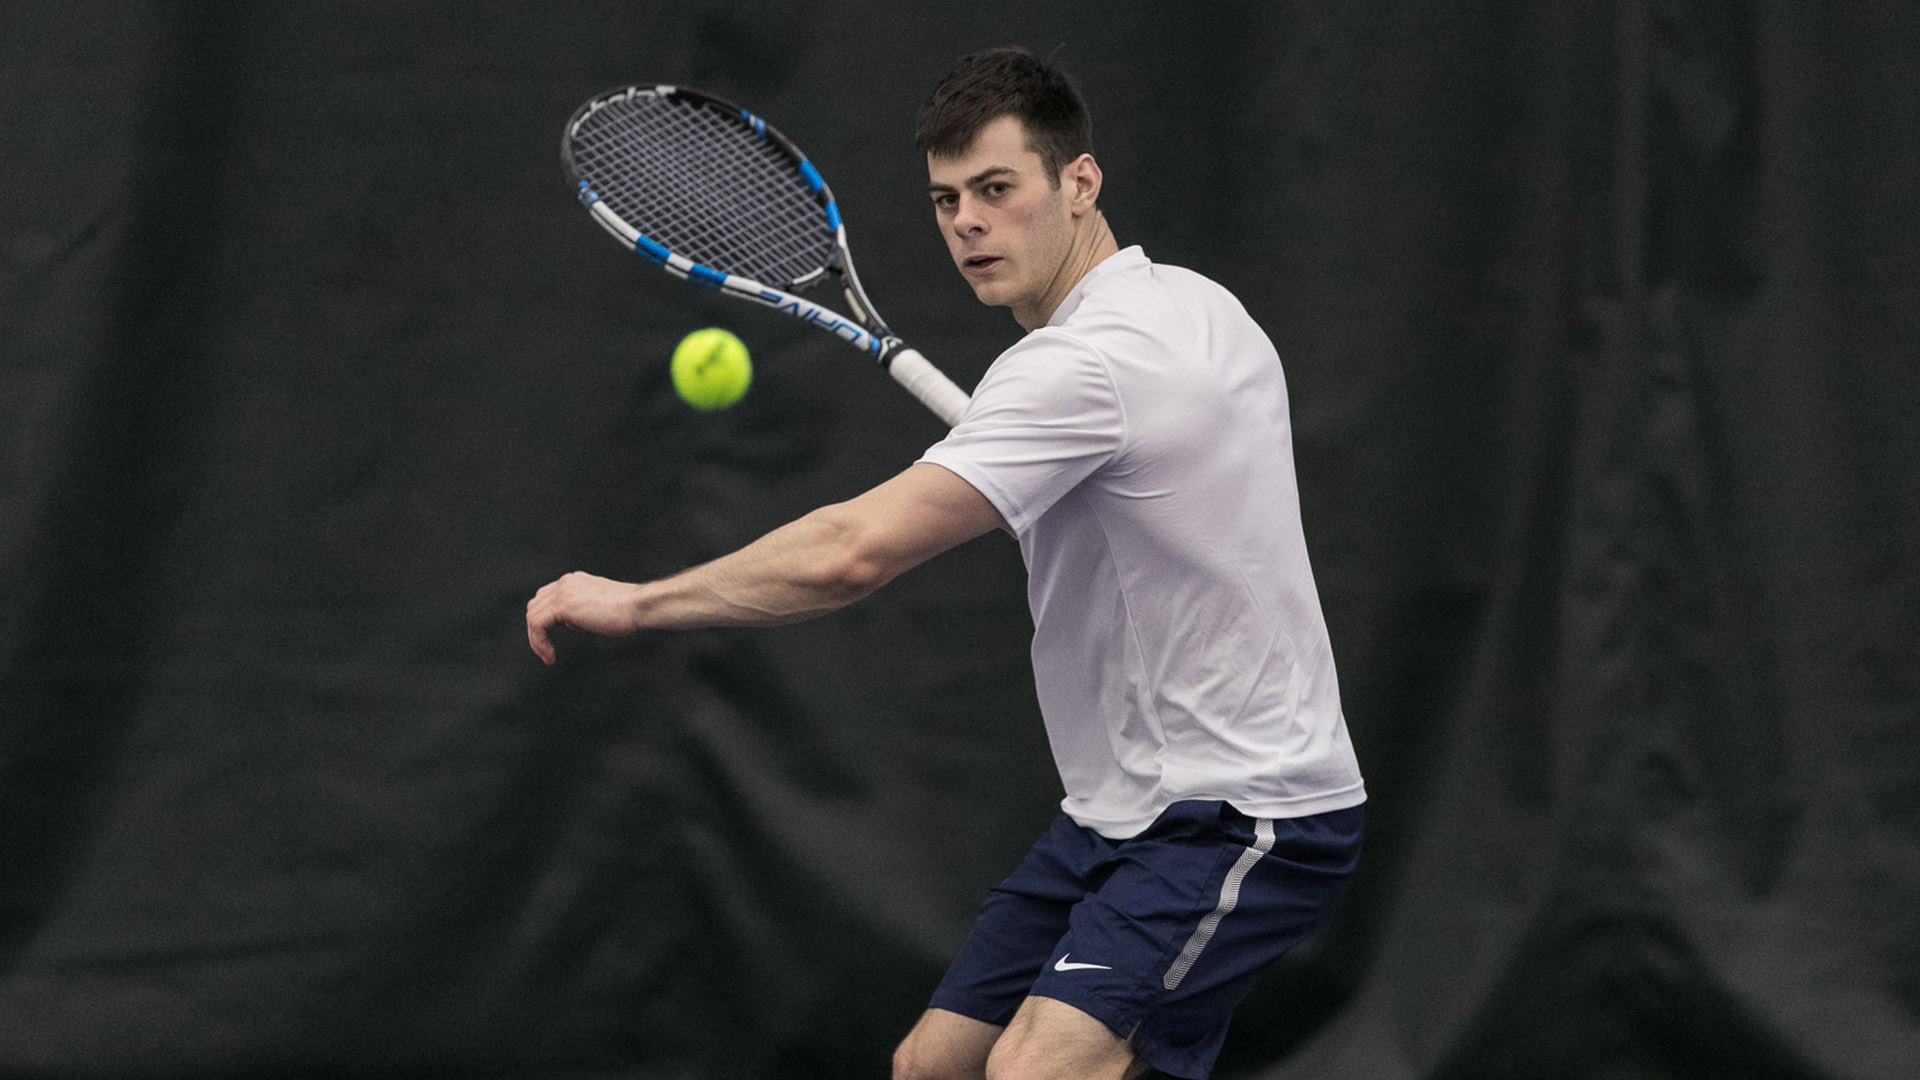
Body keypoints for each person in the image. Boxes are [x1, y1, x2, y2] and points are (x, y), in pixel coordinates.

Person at [526, 46, 1365, 1080]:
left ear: (1080, 181)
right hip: (1122, 808)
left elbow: (849, 555)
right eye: (945, 198)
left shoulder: (1078, 367)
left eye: (997, 189)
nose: (967, 221)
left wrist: (641, 603)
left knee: (1038, 1069)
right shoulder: (1197, 304)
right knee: (933, 1067)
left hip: (1242, 807)